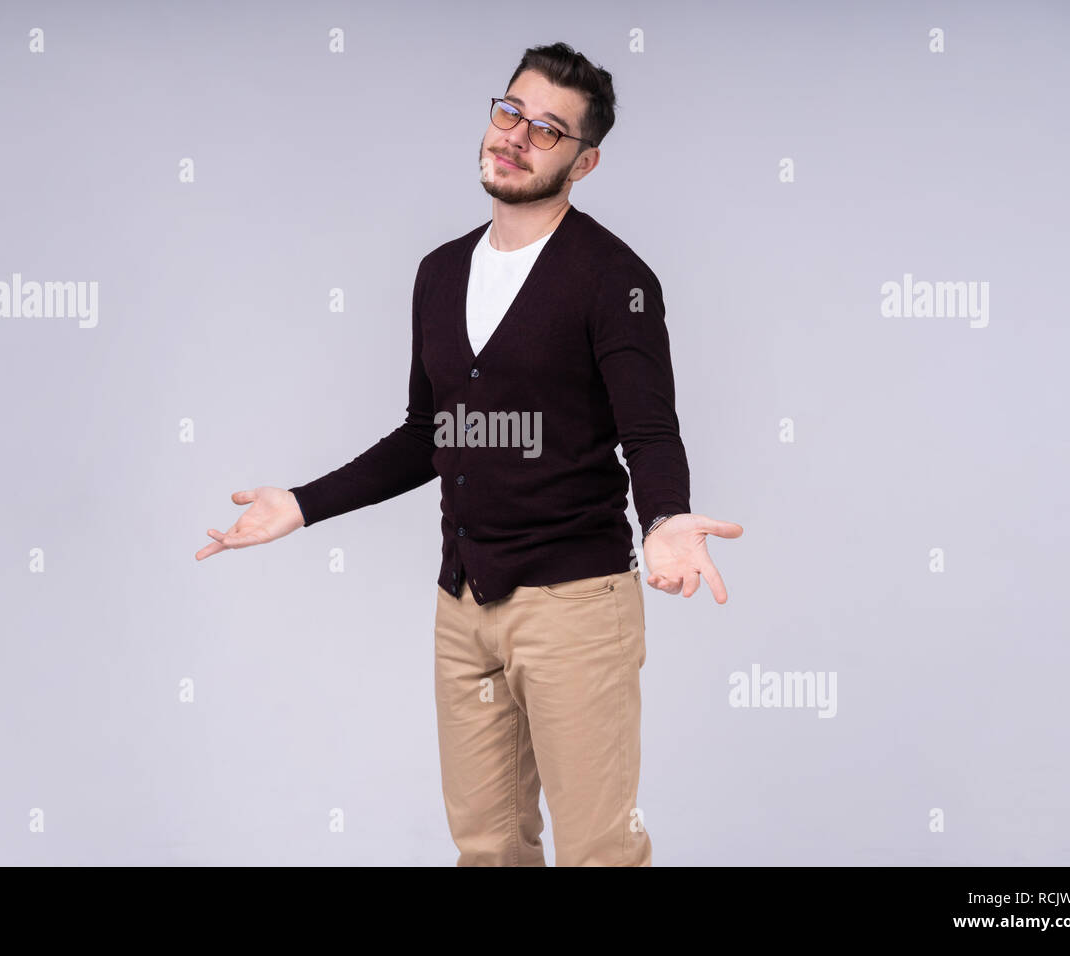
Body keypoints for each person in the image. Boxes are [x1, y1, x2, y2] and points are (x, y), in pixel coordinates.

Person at [196, 41, 743, 866]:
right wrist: (303, 504)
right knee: (486, 848)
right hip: (465, 604)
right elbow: (431, 432)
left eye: (549, 130)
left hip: (575, 606)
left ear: (584, 161)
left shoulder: (613, 278)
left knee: (598, 851)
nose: (518, 136)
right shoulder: (439, 271)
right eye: (511, 112)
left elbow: (650, 432)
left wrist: (665, 516)